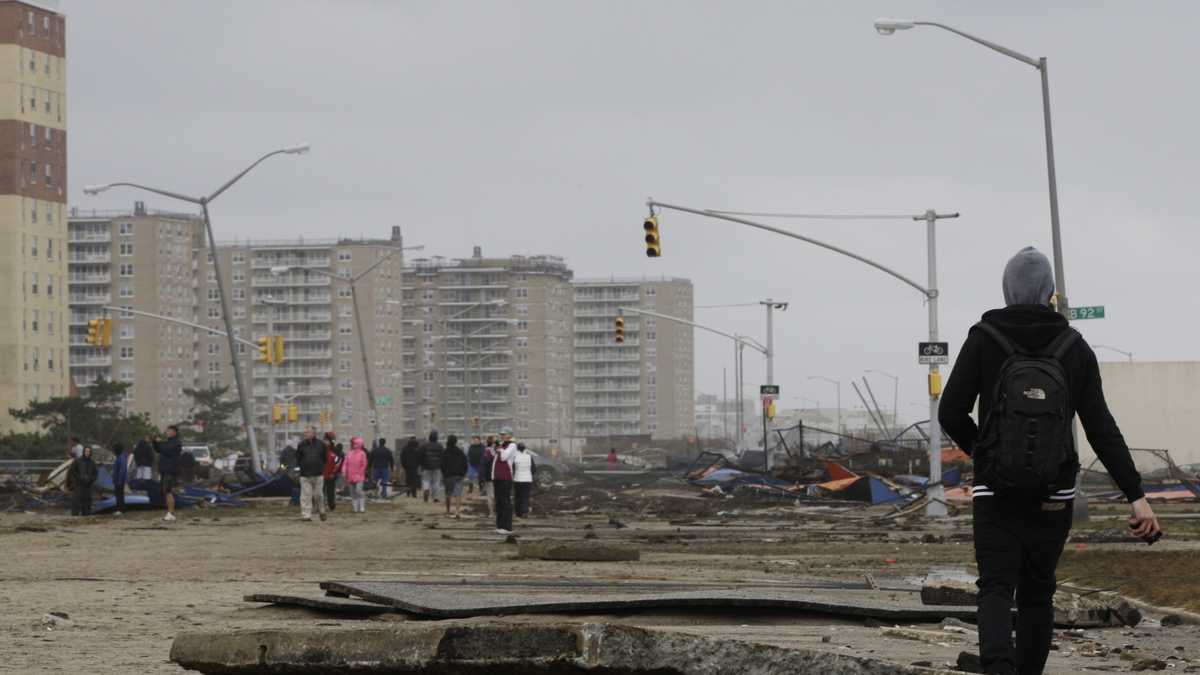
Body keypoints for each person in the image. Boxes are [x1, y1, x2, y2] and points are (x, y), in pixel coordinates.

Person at [940, 246, 1160, 675]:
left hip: (996, 490)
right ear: (1049, 293)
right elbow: (1101, 428)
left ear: (1007, 289)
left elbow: (951, 411)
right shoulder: (1074, 347)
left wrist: (986, 455)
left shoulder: (984, 338)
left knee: (996, 588)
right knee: (1038, 593)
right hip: (1054, 493)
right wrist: (1136, 496)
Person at [295, 426, 328, 522]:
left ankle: (322, 510)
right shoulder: (301, 445)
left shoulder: (321, 444)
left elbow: (325, 458)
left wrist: (320, 467)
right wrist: (301, 468)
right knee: (306, 496)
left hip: (318, 474)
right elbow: (298, 458)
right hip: (305, 475)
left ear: (314, 433)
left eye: (308, 432)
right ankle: (306, 515)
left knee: (319, 495)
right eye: (305, 432)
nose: (306, 434)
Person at [491, 427, 518, 535]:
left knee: (505, 502)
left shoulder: (512, 445)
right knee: (498, 502)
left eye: (504, 434)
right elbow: (493, 455)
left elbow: (503, 457)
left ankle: (507, 527)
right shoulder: (502, 445)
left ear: (510, 435)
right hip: (497, 477)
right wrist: (495, 446)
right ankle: (500, 526)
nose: (501, 436)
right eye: (501, 434)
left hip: (505, 477)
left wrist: (499, 448)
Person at [154, 425, 183, 522]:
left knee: (168, 491)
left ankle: (171, 513)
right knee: (165, 491)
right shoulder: (168, 442)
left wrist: (159, 443)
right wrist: (155, 441)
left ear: (174, 432)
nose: (167, 432)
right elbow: (158, 449)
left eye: (169, 431)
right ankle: (170, 513)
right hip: (165, 470)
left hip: (170, 470)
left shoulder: (176, 442)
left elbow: (166, 450)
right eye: (167, 431)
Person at [441, 434, 468, 518]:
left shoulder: (445, 452)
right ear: (456, 442)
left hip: (448, 476)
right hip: (458, 476)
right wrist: (463, 474)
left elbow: (442, 464)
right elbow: (465, 463)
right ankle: (457, 511)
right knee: (458, 494)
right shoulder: (460, 452)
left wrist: (444, 474)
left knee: (448, 494)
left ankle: (448, 511)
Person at [341, 436, 369, 513]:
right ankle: (355, 508)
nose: (354, 445)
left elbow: (364, 464)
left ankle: (362, 507)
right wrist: (343, 471)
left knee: (359, 491)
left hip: (359, 476)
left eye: (356, 443)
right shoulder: (349, 453)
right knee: (352, 492)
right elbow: (345, 463)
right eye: (353, 443)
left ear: (360, 444)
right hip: (350, 476)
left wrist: (359, 473)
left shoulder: (362, 453)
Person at [69, 446, 98, 516]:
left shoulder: (92, 462)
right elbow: (73, 471)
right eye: (86, 451)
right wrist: (78, 478)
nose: (87, 453)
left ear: (90, 453)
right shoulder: (78, 461)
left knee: (87, 501)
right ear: (84, 452)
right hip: (79, 484)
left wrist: (91, 479)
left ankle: (86, 514)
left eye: (89, 451)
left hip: (88, 485)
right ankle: (75, 515)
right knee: (77, 501)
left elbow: (95, 473)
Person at [419, 431, 445, 503]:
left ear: (429, 437)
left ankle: (426, 489)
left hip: (426, 466)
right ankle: (435, 497)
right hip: (437, 467)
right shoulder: (440, 446)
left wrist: (421, 464)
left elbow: (420, 456)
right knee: (436, 482)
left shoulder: (424, 445)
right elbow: (443, 456)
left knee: (426, 480)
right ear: (436, 438)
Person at [512, 442, 535, 519]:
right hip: (527, 480)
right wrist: (529, 474)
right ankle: (525, 511)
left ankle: (518, 513)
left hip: (517, 479)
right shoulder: (529, 457)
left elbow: (513, 469)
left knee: (518, 496)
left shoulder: (515, 457)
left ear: (517, 449)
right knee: (525, 496)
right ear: (524, 448)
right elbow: (533, 469)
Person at [322, 432, 344, 511]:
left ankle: (331, 506)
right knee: (321, 492)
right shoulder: (321, 450)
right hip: (321, 474)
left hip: (331, 475)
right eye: (325, 440)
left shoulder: (335, 451)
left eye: (327, 440)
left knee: (330, 491)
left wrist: (333, 473)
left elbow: (338, 462)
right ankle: (322, 506)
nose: (325, 442)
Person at [111, 442, 129, 516]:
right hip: (118, 480)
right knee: (119, 495)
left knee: (119, 495)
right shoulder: (120, 457)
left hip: (119, 481)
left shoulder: (121, 457)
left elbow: (122, 470)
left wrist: (119, 480)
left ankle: (120, 509)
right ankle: (121, 509)